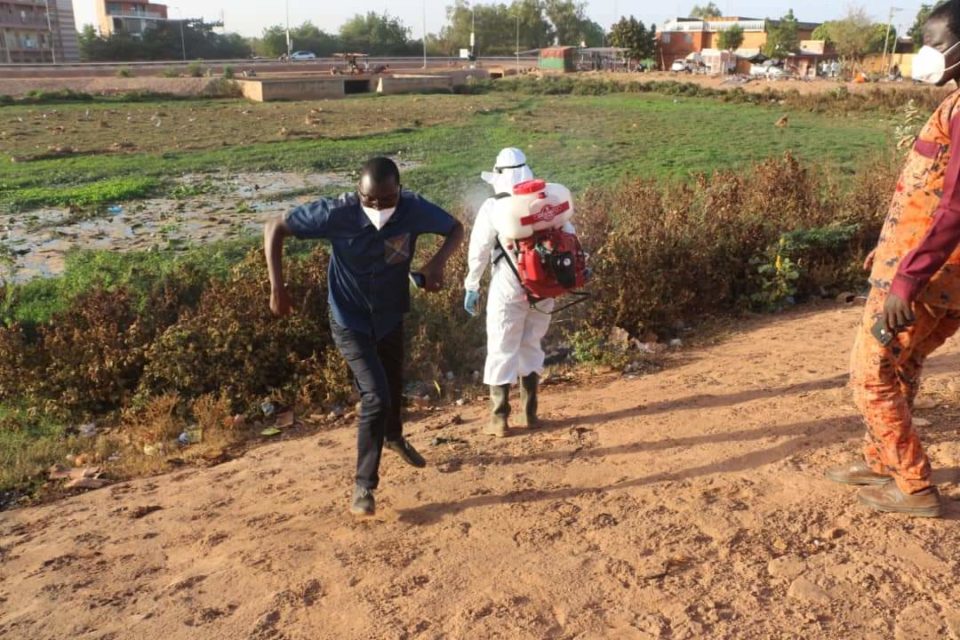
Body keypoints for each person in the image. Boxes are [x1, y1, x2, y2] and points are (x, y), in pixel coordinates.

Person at [264, 157, 464, 516]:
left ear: (398, 193)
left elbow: (455, 229)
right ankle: (363, 486)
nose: (377, 208)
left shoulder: (413, 209)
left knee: (392, 382)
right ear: (359, 194)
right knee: (374, 395)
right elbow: (274, 227)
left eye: (385, 201)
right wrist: (277, 287)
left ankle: (393, 438)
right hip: (349, 320)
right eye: (368, 200)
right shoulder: (336, 213)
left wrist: (436, 264)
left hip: (390, 315)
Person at [827, 1, 960, 518]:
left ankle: (913, 485)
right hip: (929, 268)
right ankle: (883, 459)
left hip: (929, 277)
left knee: (869, 374)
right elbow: (927, 194)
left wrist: (905, 277)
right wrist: (886, 249)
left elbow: (954, 208)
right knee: (902, 363)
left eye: (936, 41)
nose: (926, 52)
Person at [463, 148, 570, 437]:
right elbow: (568, 235)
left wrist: (472, 284)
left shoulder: (494, 206)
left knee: (502, 346)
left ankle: (499, 419)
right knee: (531, 343)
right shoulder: (546, 200)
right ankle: (530, 414)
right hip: (544, 286)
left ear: (498, 174)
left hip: (508, 285)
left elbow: (480, 250)